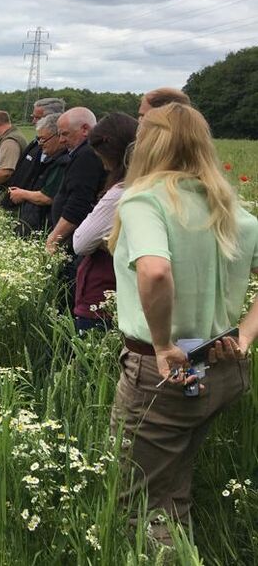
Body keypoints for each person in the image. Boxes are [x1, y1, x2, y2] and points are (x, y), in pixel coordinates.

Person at [107, 102, 258, 544]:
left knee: (140, 502)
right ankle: (183, 537)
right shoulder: (233, 211)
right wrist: (245, 335)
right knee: (173, 480)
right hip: (223, 364)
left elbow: (155, 271)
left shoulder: (144, 200)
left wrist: (160, 345)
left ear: (149, 145)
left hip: (167, 369)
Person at [71, 112, 138, 333]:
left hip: (103, 298)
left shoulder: (122, 192)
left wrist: (109, 241)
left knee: (94, 364)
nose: (105, 167)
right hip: (132, 303)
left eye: (102, 158)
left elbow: (81, 242)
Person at [45, 107, 105, 254]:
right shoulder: (86, 152)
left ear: (85, 129)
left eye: (65, 134)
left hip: (75, 241)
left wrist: (54, 238)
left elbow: (79, 202)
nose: (61, 140)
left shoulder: (86, 155)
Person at [6, 113, 68, 236]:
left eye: (43, 139)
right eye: (38, 139)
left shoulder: (63, 162)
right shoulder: (52, 158)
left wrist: (22, 194)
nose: (40, 144)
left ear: (58, 136)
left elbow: (48, 197)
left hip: (46, 229)